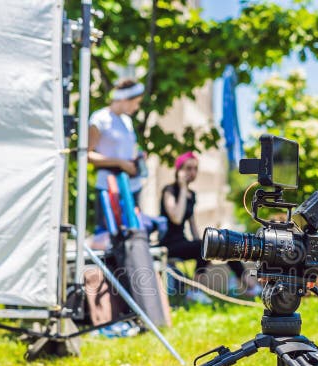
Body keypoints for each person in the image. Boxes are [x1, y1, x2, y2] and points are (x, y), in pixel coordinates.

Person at [159, 152, 255, 297]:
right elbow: (177, 218)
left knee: (221, 244)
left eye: (195, 169)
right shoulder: (170, 191)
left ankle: (248, 285)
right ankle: (194, 291)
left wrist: (205, 243)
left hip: (184, 242)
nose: (192, 172)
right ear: (179, 170)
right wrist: (183, 188)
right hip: (169, 245)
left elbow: (192, 225)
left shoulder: (192, 194)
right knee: (204, 245)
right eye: (188, 168)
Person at [87, 78, 146, 232]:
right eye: (136, 102)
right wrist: (119, 163)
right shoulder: (99, 119)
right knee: (108, 231)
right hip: (109, 186)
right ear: (125, 99)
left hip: (130, 186)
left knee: (132, 230)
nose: (137, 107)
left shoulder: (127, 121)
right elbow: (87, 154)